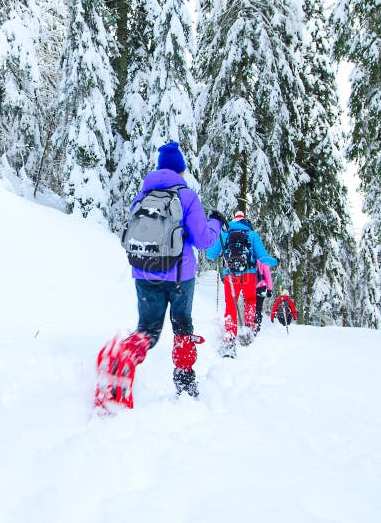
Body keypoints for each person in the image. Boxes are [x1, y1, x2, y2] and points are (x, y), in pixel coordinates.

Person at [111, 141, 224, 400]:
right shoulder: (187, 196)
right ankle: (184, 382)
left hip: (144, 273)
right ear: (180, 171)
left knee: (147, 330)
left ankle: (123, 357)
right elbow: (203, 241)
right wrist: (215, 223)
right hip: (179, 277)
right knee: (182, 325)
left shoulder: (142, 196)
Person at [205, 211, 277, 356]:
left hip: (230, 275)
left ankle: (230, 338)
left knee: (231, 305)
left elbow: (210, 255)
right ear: (245, 221)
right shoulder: (252, 235)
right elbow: (263, 258)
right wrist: (275, 261)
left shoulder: (225, 234)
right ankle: (249, 328)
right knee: (250, 300)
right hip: (249, 274)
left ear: (233, 220)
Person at [254, 261, 274, 331]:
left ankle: (249, 324)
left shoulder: (249, 256)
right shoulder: (263, 259)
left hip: (248, 286)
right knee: (258, 308)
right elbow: (267, 275)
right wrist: (269, 289)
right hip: (260, 286)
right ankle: (257, 325)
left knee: (249, 306)